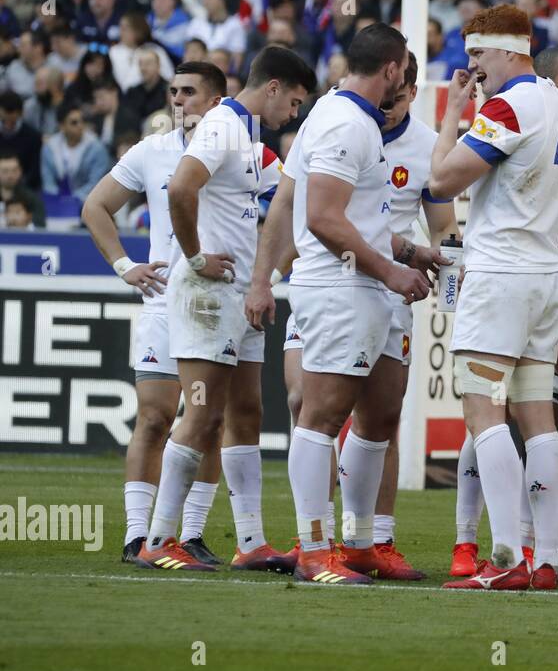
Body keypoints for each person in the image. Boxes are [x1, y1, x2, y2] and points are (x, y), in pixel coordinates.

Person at [248, 51, 453, 580]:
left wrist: (409, 254)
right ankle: (315, 550)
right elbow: (317, 217)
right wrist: (390, 271)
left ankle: (361, 543)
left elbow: (362, 218)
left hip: (375, 284)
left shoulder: (349, 120)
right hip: (343, 286)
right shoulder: (344, 121)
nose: (404, 92)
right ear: (390, 72)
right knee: (319, 414)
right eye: (404, 81)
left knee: (381, 412)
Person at [83, 62, 291, 569]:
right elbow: (96, 207)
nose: (179, 101)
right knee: (157, 417)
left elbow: (288, 208)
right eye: (174, 92)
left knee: (224, 416)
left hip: (225, 300)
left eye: (190, 91)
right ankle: (142, 536)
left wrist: (272, 276)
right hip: (169, 301)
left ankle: (195, 533)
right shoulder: (151, 152)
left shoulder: (246, 147)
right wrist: (125, 266)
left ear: (217, 97)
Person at [134, 46, 314, 572]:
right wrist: (192, 257)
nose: (293, 115)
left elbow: (286, 202)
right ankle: (159, 539)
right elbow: (180, 187)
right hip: (209, 294)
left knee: (245, 413)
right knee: (202, 413)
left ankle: (251, 542)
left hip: (240, 293)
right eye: (295, 102)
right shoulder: (224, 125)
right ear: (274, 87)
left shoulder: (248, 135)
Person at [430, 4, 558, 591]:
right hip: (547, 274)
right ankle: (544, 557)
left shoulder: (507, 106)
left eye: (477, 54)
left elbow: (442, 180)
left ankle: (504, 558)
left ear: (509, 49)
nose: (472, 68)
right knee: (537, 418)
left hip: (501, 272)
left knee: (483, 411)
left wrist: (451, 118)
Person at [41, 104, 112, 203]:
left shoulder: (97, 148)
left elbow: (96, 183)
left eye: (82, 121)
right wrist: (59, 198)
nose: (80, 126)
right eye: (74, 123)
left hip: (88, 202)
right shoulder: (49, 148)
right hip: (57, 203)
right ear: (62, 126)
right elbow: (48, 183)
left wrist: (72, 199)